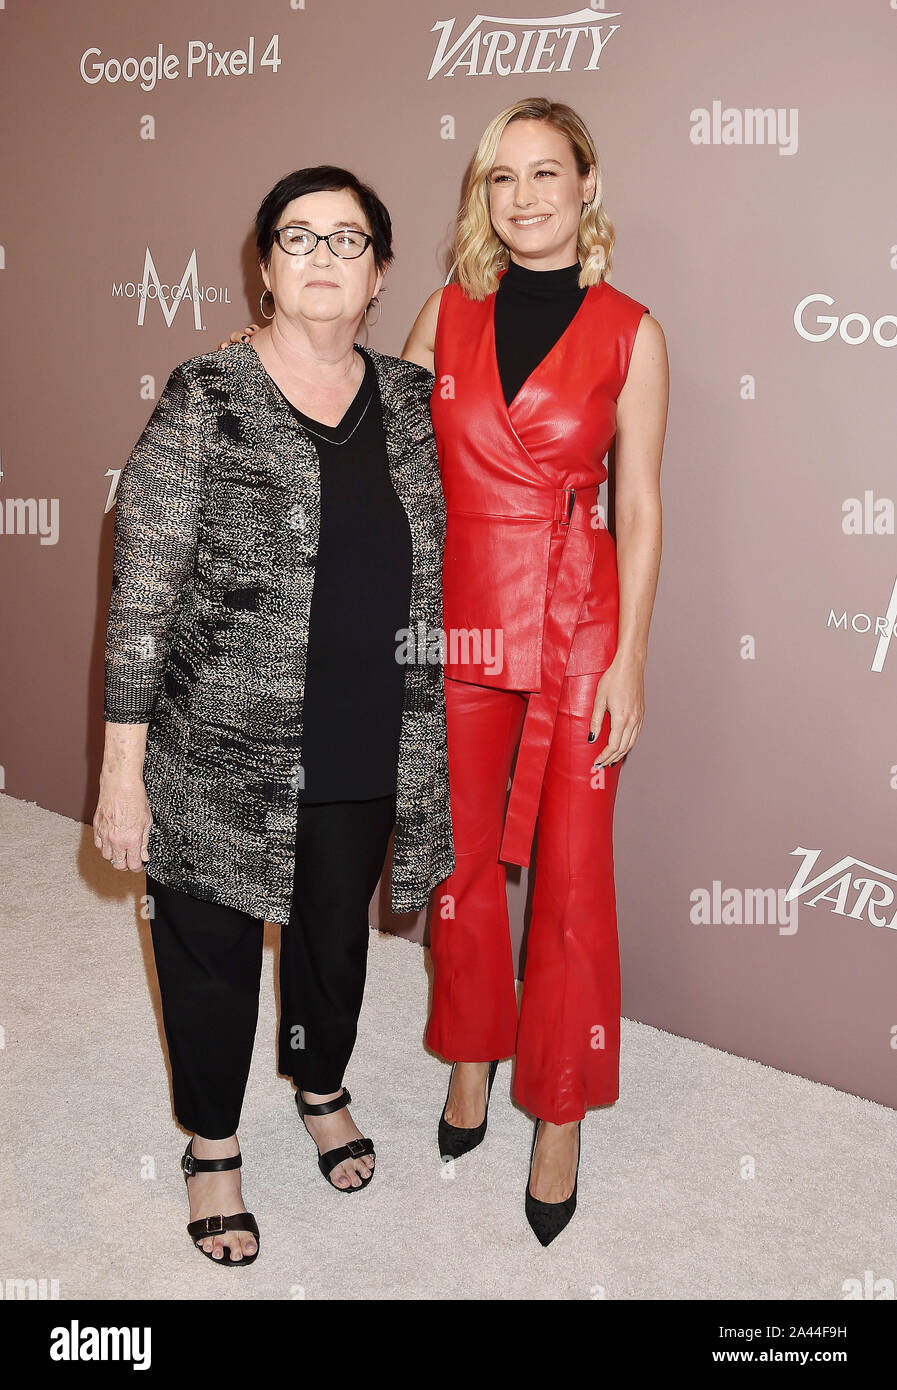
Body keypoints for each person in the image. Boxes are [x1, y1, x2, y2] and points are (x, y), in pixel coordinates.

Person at [94, 166, 454, 1264]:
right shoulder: (206, 391)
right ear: (265, 265)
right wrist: (124, 767)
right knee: (208, 951)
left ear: (382, 271)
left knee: (331, 938)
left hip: (361, 733)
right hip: (215, 747)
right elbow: (142, 587)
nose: (323, 258)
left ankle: (320, 1078)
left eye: (349, 241)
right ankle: (212, 1143)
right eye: (299, 237)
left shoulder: (405, 399)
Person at [401, 97, 668, 1244]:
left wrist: (632, 661)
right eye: (502, 178)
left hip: (576, 619)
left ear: (587, 186)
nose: (524, 197)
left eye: (546, 173)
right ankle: (471, 1051)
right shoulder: (446, 312)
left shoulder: (632, 330)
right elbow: (379, 444)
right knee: (459, 861)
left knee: (571, 878)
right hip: (461, 615)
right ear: (484, 195)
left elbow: (645, 508)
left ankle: (559, 1105)